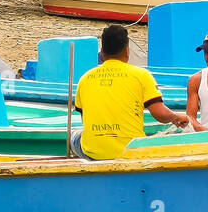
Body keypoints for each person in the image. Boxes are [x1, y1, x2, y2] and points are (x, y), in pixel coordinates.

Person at [70, 24, 189, 159]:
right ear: (127, 51)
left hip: (94, 153)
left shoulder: (84, 79)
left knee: (74, 136)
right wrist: (176, 117)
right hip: (131, 152)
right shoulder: (142, 76)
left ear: (102, 53)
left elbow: (85, 119)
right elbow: (159, 114)